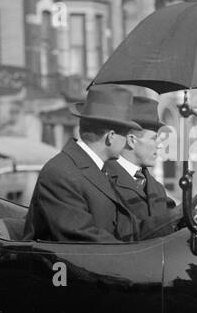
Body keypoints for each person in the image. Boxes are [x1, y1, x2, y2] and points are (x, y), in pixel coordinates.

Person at [26, 85, 142, 242]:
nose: (127, 140)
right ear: (111, 136)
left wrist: (174, 217)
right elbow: (82, 238)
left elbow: (126, 226)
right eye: (126, 134)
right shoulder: (61, 173)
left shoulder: (99, 168)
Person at [103, 96, 179, 238]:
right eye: (154, 138)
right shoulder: (103, 180)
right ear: (132, 141)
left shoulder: (156, 187)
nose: (159, 145)